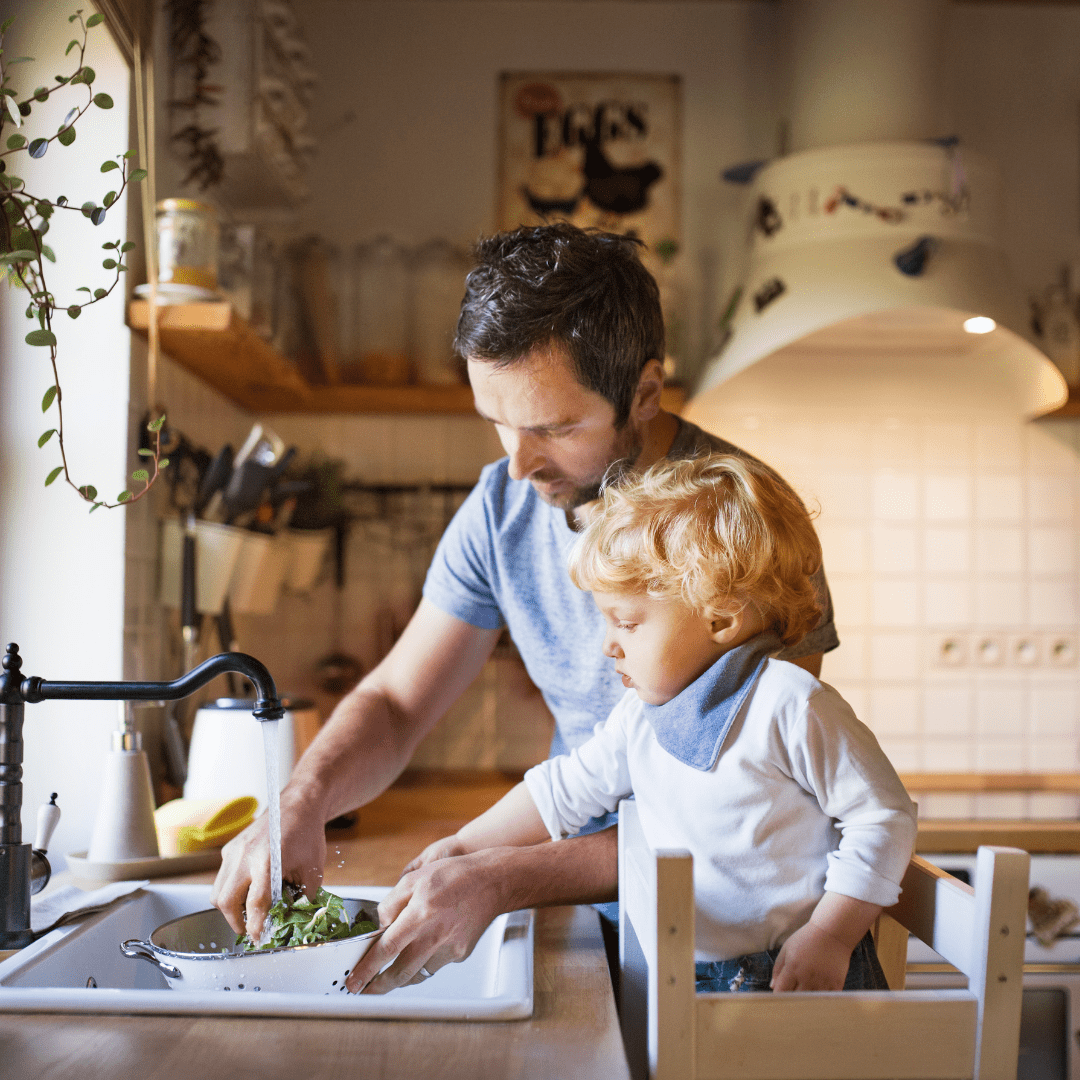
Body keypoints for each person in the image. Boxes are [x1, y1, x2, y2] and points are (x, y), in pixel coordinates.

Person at [211, 223, 840, 994]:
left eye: (554, 428)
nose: (517, 462)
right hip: (591, 913)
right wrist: (302, 802)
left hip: (739, 944)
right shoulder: (501, 506)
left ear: (644, 393)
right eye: (499, 422)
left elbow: (742, 810)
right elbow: (398, 704)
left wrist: (509, 874)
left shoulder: (748, 527)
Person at [402, 455, 917, 993]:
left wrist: (831, 935)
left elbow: (884, 819)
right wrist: (461, 847)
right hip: (686, 974)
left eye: (626, 622)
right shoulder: (642, 715)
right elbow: (561, 791)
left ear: (720, 619)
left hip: (797, 971)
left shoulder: (790, 704)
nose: (608, 644)